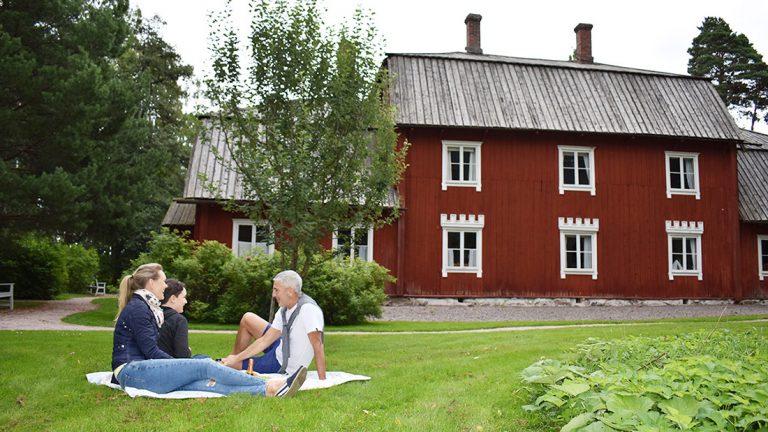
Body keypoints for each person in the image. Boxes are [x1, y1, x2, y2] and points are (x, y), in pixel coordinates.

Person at [111, 263, 306, 397]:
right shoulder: (138, 308)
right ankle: (270, 384)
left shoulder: (147, 307)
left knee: (207, 384)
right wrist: (183, 366)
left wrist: (183, 367)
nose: (165, 285)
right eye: (162, 281)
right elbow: (151, 352)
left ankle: (267, 392)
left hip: (140, 372)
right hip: (132, 372)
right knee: (203, 366)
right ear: (151, 283)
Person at [221, 270, 327, 380]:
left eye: (276, 290)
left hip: (280, 364)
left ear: (290, 291)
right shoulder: (285, 308)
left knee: (232, 364)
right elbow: (265, 340)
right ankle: (232, 359)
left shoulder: (308, 310)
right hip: (281, 346)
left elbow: (318, 346)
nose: (273, 295)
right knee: (248, 318)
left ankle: (231, 365)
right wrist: (236, 357)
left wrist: (322, 380)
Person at [157, 279, 192, 358]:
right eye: (184, 297)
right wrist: (188, 351)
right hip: (170, 366)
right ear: (173, 299)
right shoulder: (178, 320)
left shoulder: (149, 315)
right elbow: (182, 356)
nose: (185, 301)